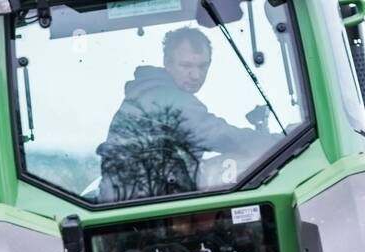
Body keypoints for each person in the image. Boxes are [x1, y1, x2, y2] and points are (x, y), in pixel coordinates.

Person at [97, 26, 279, 201]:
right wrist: (280, 142)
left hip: (130, 194)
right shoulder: (166, 97)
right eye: (186, 66)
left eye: (202, 66)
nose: (195, 75)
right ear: (167, 63)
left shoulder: (147, 93)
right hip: (140, 199)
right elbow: (217, 135)